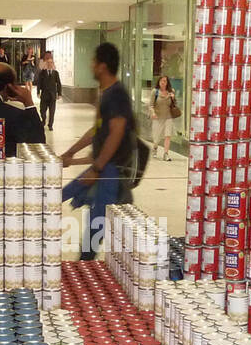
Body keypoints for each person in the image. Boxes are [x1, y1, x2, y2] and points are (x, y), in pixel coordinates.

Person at [60, 41, 137, 260]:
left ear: (102, 66)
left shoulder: (117, 95)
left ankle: (84, 265)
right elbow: (97, 131)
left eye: (94, 61)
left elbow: (117, 131)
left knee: (97, 221)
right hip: (104, 167)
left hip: (111, 171)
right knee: (66, 193)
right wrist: (70, 152)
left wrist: (97, 167)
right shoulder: (107, 94)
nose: (91, 65)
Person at [150, 75, 178, 161]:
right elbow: (151, 105)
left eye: (165, 81)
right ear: (159, 82)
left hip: (168, 117)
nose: (163, 82)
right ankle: (155, 148)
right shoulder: (155, 92)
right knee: (156, 138)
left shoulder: (171, 91)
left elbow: (174, 104)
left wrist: (173, 98)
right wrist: (153, 113)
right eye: (161, 81)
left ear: (167, 82)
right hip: (157, 117)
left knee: (168, 135)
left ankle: (166, 154)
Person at [34, 51, 62, 131]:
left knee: (52, 111)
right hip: (44, 95)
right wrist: (38, 92)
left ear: (53, 64)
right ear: (46, 64)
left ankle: (50, 125)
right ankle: (43, 120)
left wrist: (59, 93)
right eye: (48, 63)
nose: (50, 64)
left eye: (51, 63)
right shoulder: (42, 73)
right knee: (42, 110)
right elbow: (39, 83)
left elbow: (59, 84)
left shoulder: (56, 73)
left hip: (53, 95)